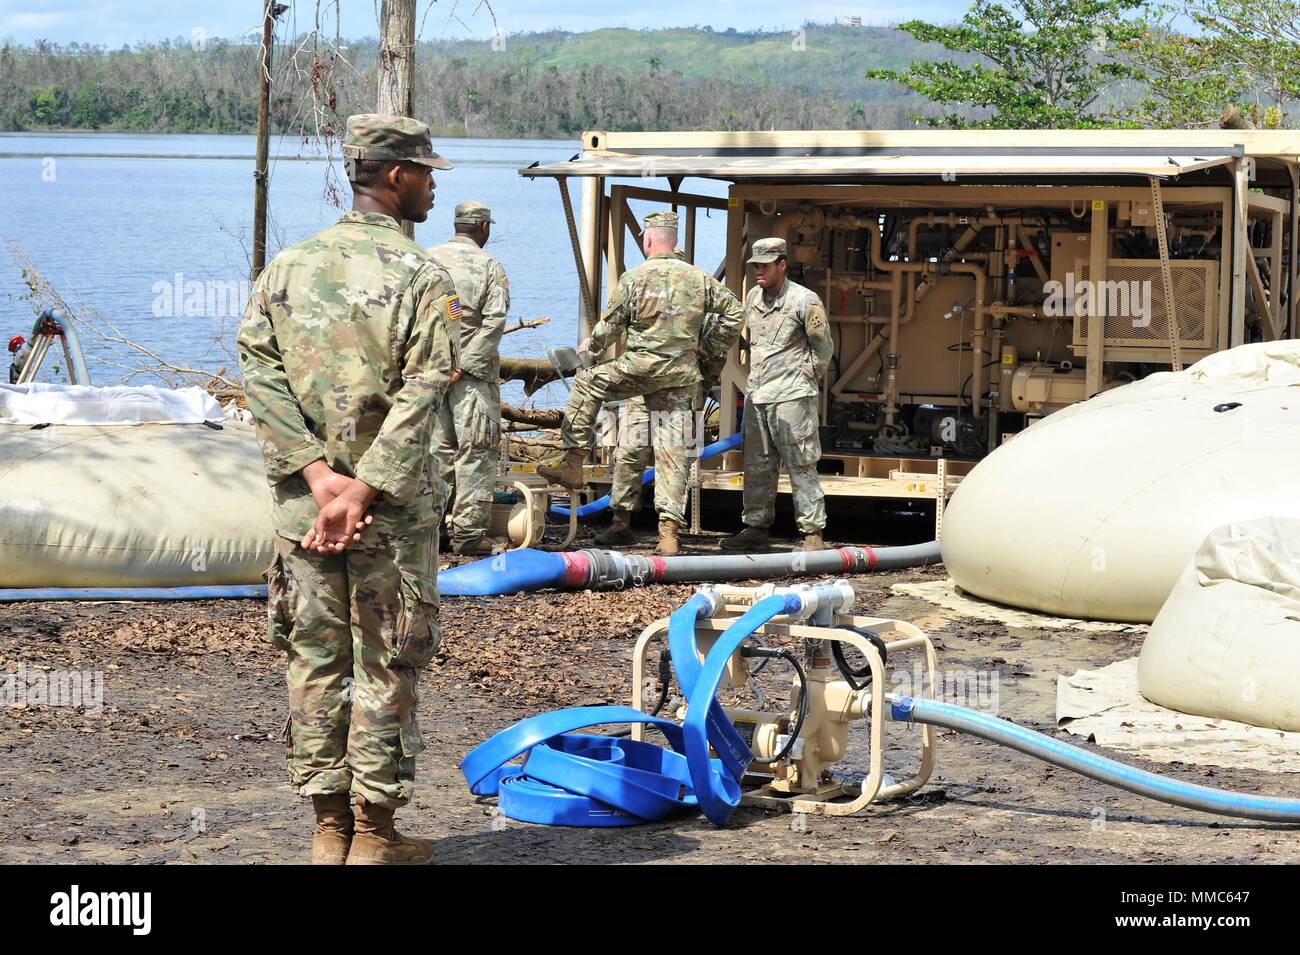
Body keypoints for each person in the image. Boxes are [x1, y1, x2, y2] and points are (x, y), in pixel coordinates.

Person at [237, 113, 460, 865]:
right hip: (387, 516)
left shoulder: (288, 267)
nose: (431, 185)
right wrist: (362, 489)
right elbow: (428, 386)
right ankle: (373, 835)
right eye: (426, 172)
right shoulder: (424, 278)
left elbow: (258, 373)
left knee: (314, 659)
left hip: (307, 511)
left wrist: (317, 476)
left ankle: (327, 831)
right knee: (386, 661)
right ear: (395, 176)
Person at [538, 211, 743, 555]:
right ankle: (668, 535)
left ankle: (574, 461)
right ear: (673, 242)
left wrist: (595, 344)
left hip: (641, 370)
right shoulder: (700, 280)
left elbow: (612, 323)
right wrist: (706, 350)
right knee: (673, 455)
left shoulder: (634, 278)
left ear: (648, 240)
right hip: (681, 378)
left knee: (589, 383)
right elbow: (735, 314)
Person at [596, 292, 738, 547]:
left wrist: (698, 396)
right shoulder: (645, 305)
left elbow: (716, 356)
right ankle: (620, 523)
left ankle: (669, 532)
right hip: (641, 396)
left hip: (678, 399)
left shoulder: (697, 314)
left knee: (673, 463)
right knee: (628, 456)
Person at [721, 237, 833, 552]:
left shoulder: (804, 300)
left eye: (765, 265)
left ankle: (812, 534)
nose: (759, 270)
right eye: (756, 265)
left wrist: (806, 378)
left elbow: (823, 347)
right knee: (757, 465)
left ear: (782, 265)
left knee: (801, 463)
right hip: (759, 397)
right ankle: (755, 528)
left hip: (793, 398)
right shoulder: (753, 298)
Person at [428, 200, 509, 555]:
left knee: (436, 453)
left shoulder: (427, 259)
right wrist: (466, 363)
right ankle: (469, 534)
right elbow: (494, 321)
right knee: (476, 450)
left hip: (430, 373)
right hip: (472, 378)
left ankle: (431, 531)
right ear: (484, 228)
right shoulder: (488, 265)